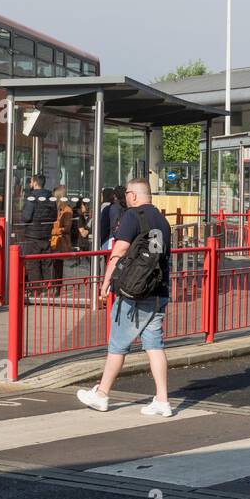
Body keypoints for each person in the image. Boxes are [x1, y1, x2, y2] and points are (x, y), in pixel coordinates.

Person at [78, 178, 173, 417]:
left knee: (118, 345)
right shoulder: (161, 221)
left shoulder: (133, 216)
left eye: (127, 194)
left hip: (134, 294)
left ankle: (101, 395)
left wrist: (106, 281)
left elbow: (118, 251)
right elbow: (155, 256)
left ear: (133, 195)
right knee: (154, 346)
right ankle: (162, 400)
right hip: (157, 291)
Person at [20, 173, 57, 283]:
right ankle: (49, 287)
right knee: (47, 262)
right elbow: (54, 217)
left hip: (32, 236)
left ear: (35, 183)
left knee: (33, 263)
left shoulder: (32, 197)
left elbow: (26, 217)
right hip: (46, 235)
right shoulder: (51, 197)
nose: (30, 184)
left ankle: (37, 289)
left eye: (31, 181)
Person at [48, 184, 74, 282]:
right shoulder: (56, 210)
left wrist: (52, 230)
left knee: (58, 266)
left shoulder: (67, 210)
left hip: (60, 242)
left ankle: (57, 287)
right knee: (54, 265)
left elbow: (66, 228)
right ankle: (55, 285)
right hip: (54, 242)